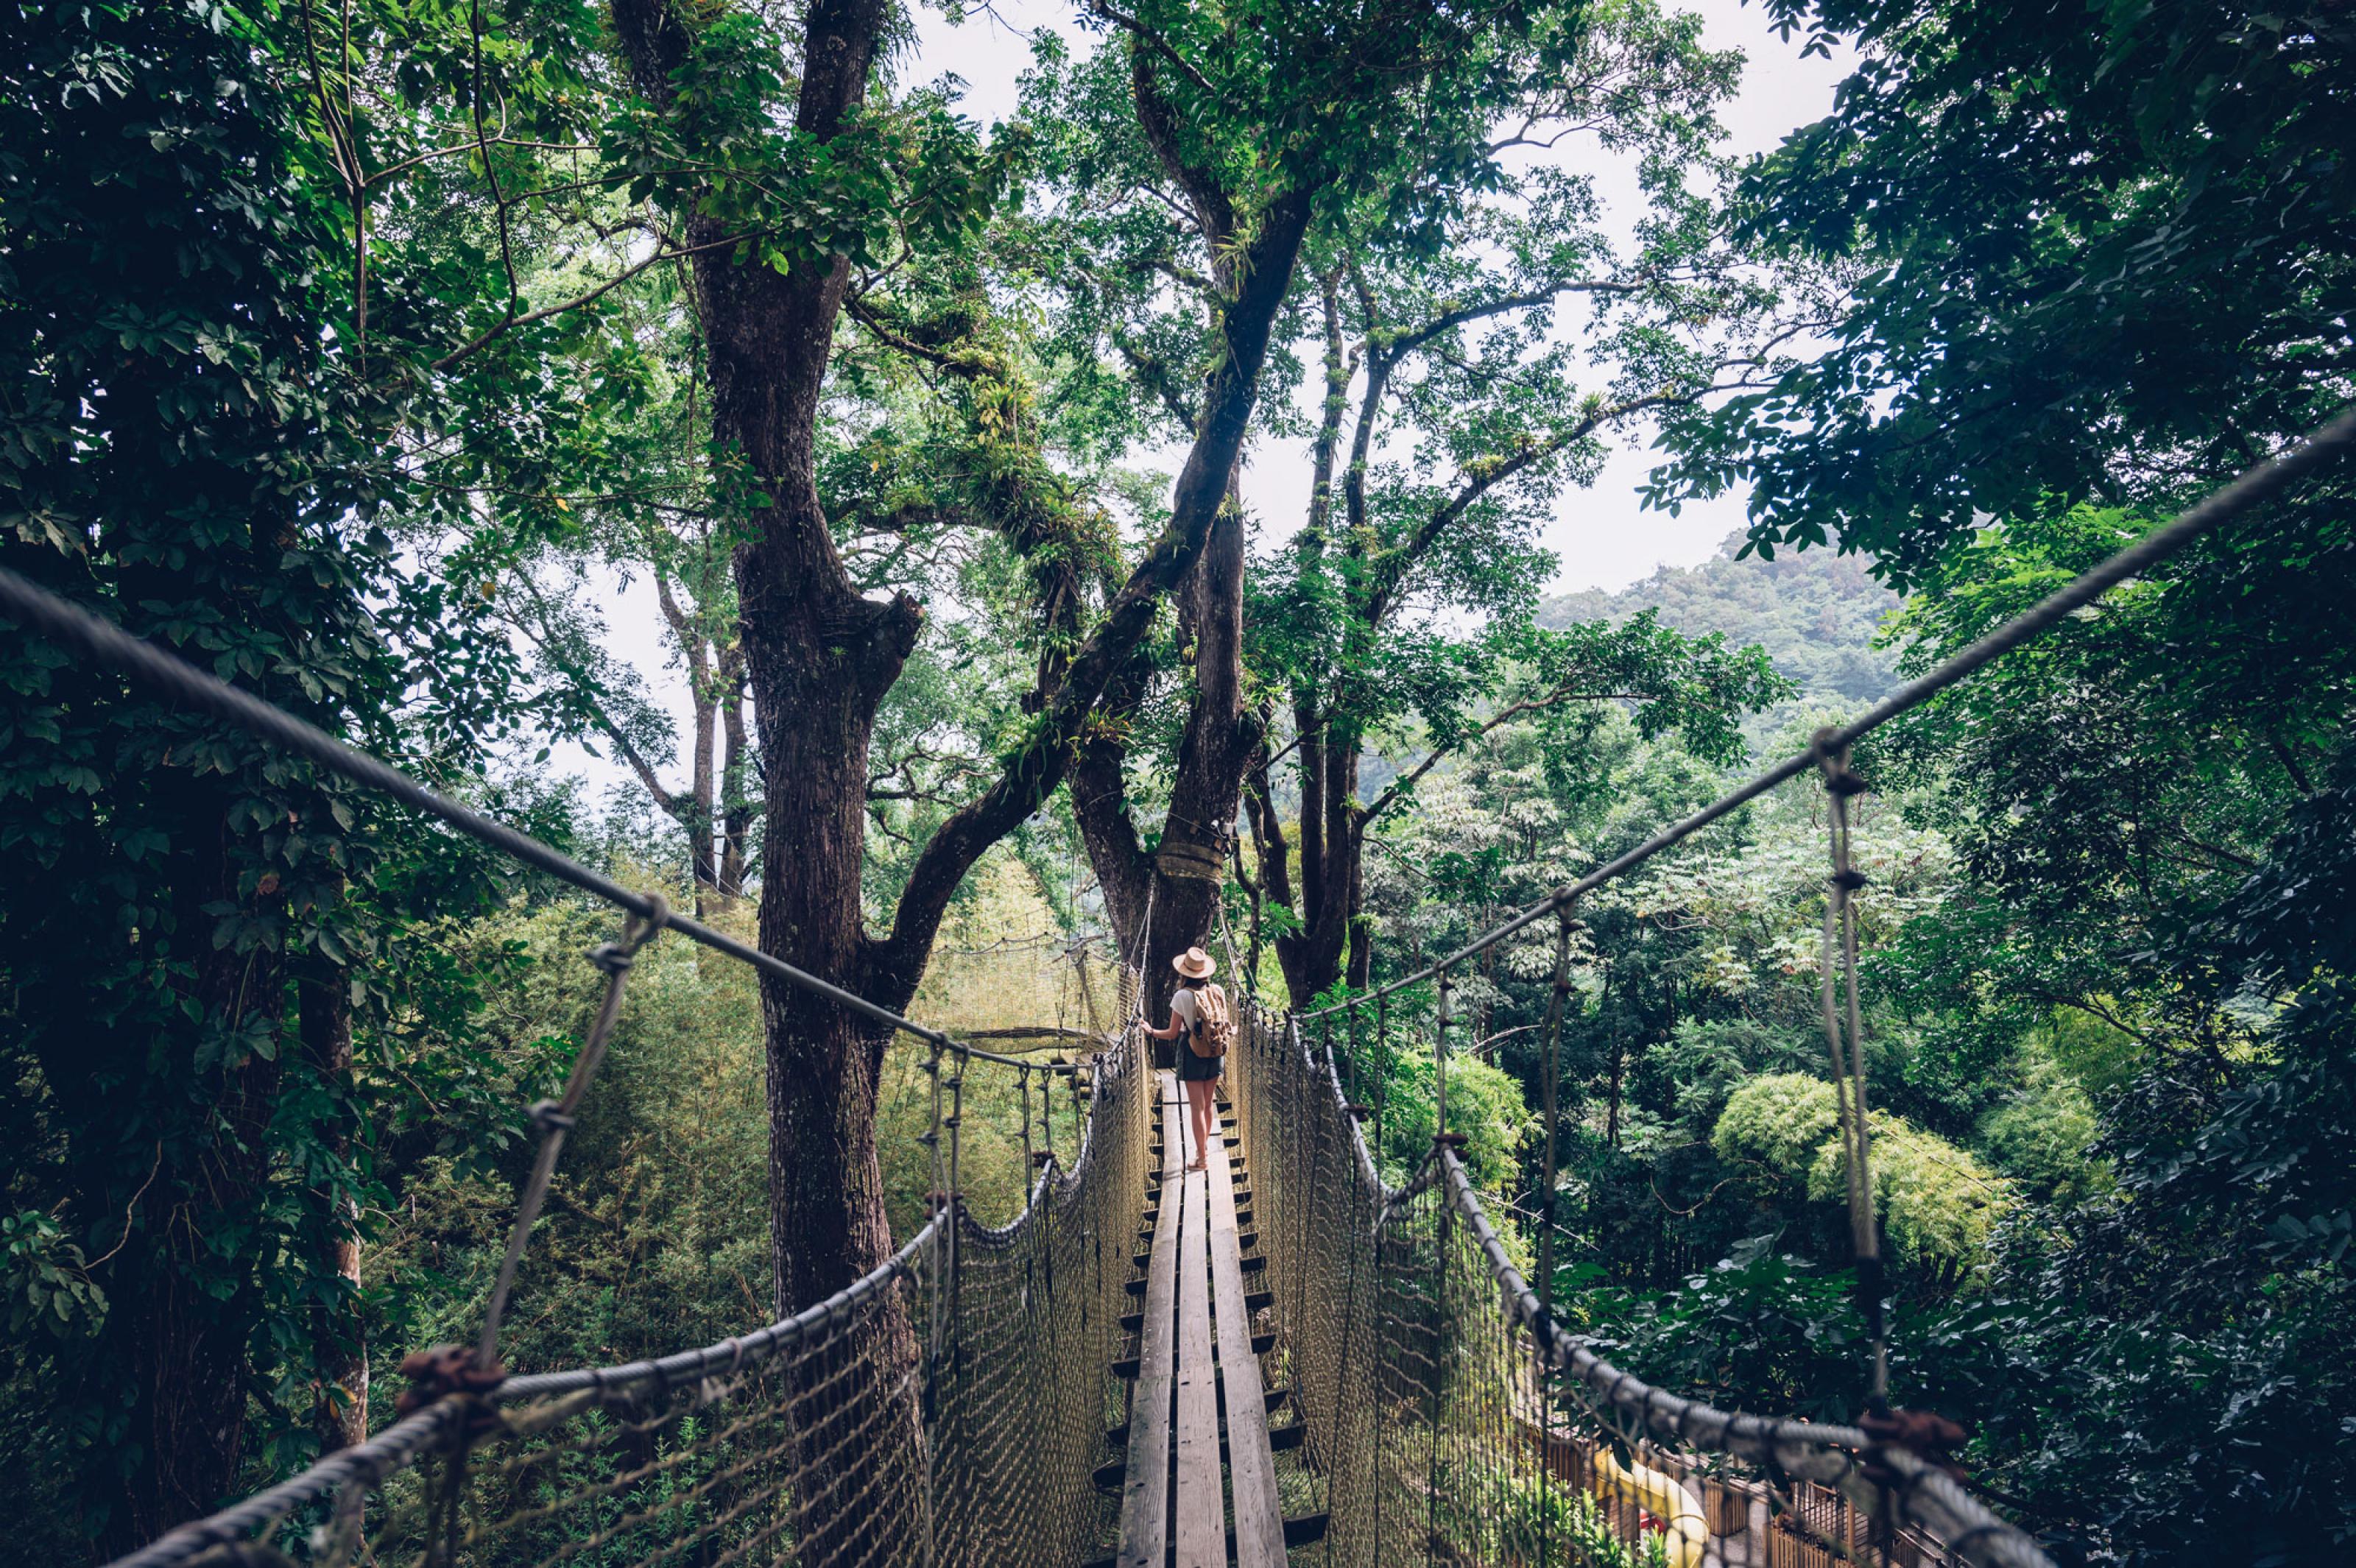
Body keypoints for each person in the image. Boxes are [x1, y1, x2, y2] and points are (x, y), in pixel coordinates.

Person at [1146, 947, 1232, 1172]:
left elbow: (1173, 1033)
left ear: (1185, 973)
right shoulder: (1218, 991)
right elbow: (1225, 1024)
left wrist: (1151, 1031)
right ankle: (1201, 1152)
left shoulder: (1182, 996)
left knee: (1197, 1107)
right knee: (1208, 1105)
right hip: (1215, 1050)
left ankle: (1202, 1159)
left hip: (1193, 1051)